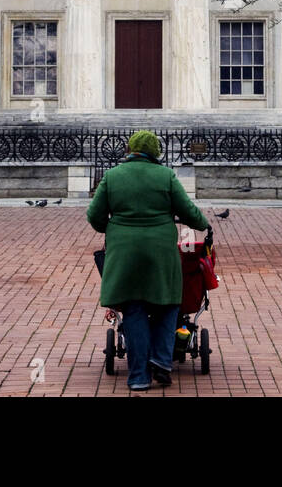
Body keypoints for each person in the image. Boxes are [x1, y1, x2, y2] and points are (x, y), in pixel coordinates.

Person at [87, 130, 209, 391]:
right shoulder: (165, 176)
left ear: (130, 149)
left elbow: (95, 215)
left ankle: (139, 377)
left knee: (133, 309)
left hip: (124, 251)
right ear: (156, 152)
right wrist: (203, 223)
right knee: (168, 304)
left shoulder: (112, 176)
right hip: (160, 251)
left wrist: (112, 227)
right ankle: (162, 362)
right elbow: (187, 211)